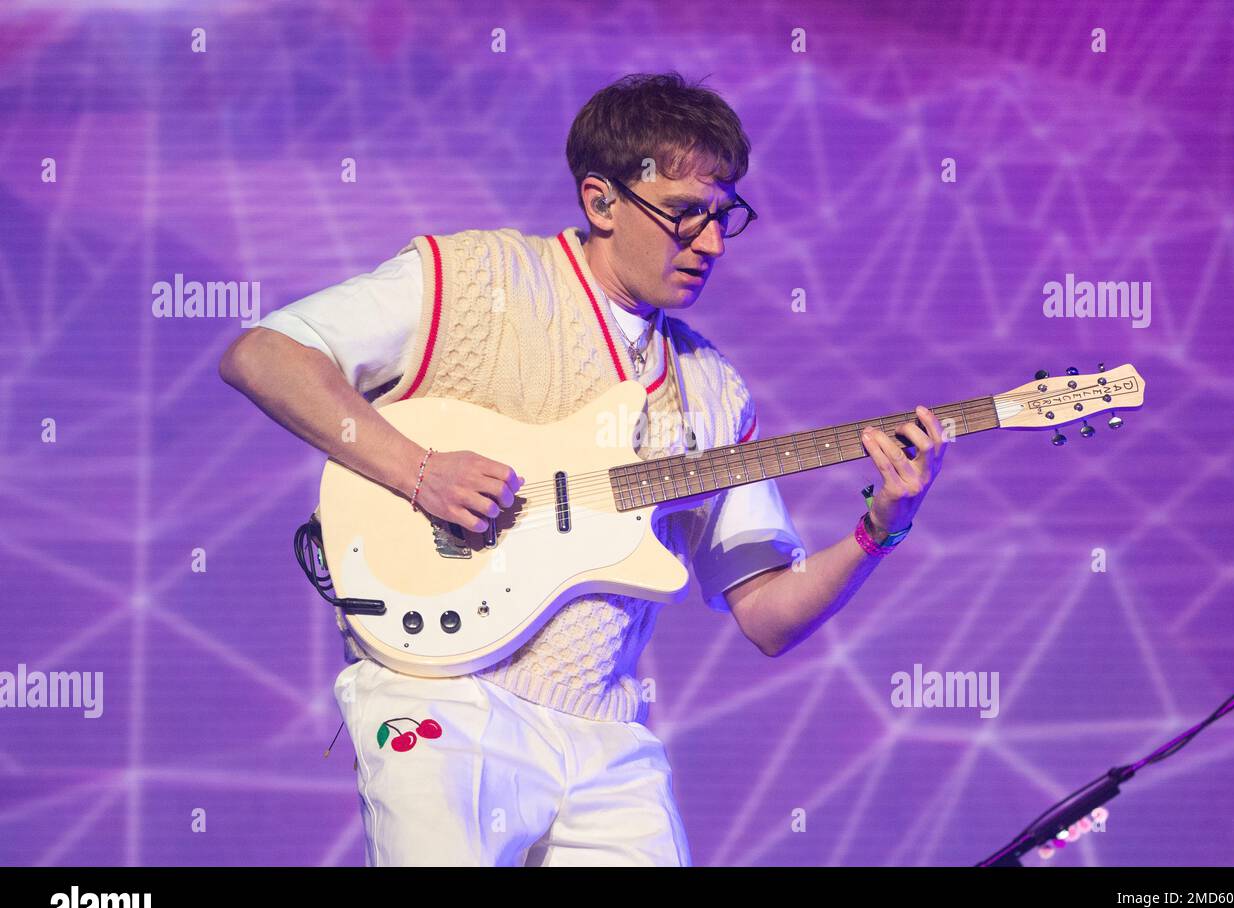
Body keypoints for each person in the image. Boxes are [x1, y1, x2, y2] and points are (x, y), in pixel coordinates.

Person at [218, 71, 948, 866]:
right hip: (439, 696)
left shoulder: (712, 388)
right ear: (601, 202)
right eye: (683, 215)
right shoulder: (471, 277)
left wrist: (881, 529)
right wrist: (417, 467)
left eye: (724, 214)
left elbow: (768, 614)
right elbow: (265, 354)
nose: (710, 243)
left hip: (605, 736)